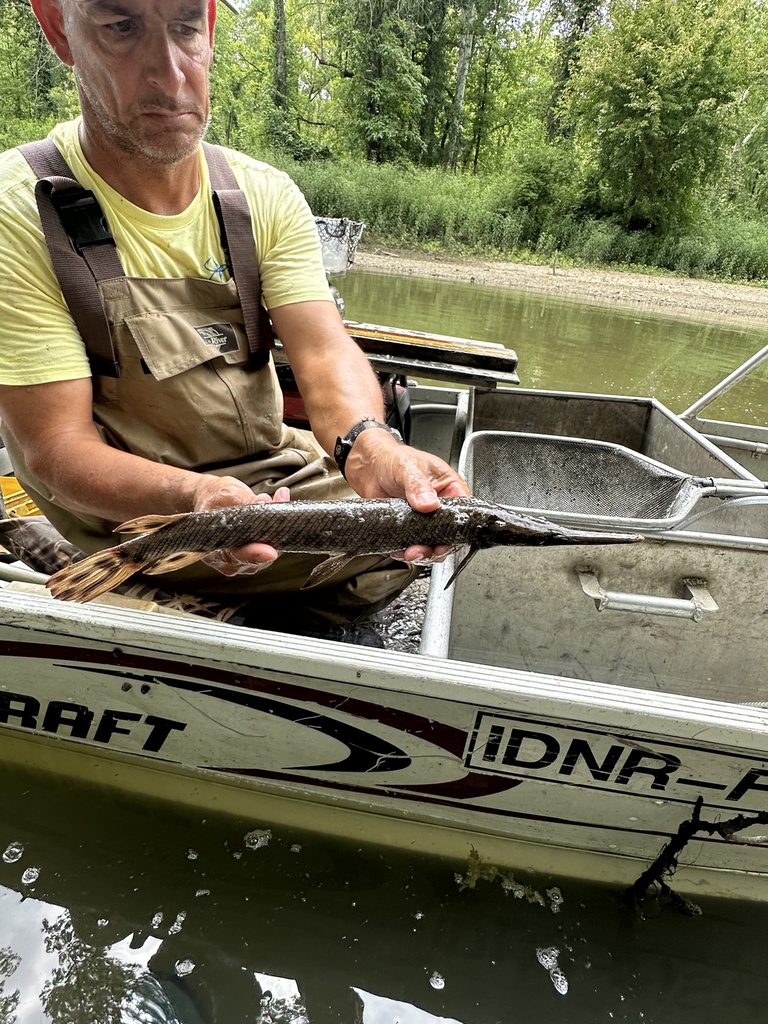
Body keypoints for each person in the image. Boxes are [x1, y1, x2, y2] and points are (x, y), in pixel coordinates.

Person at [0, 0, 469, 637]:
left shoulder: (261, 196)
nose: (169, 74)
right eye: (121, 27)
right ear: (61, 30)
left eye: (186, 26)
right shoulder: (20, 211)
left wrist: (369, 445)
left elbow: (326, 355)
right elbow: (54, 451)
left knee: (440, 514)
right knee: (432, 545)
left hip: (277, 482)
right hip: (146, 520)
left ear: (211, 28)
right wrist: (198, 503)